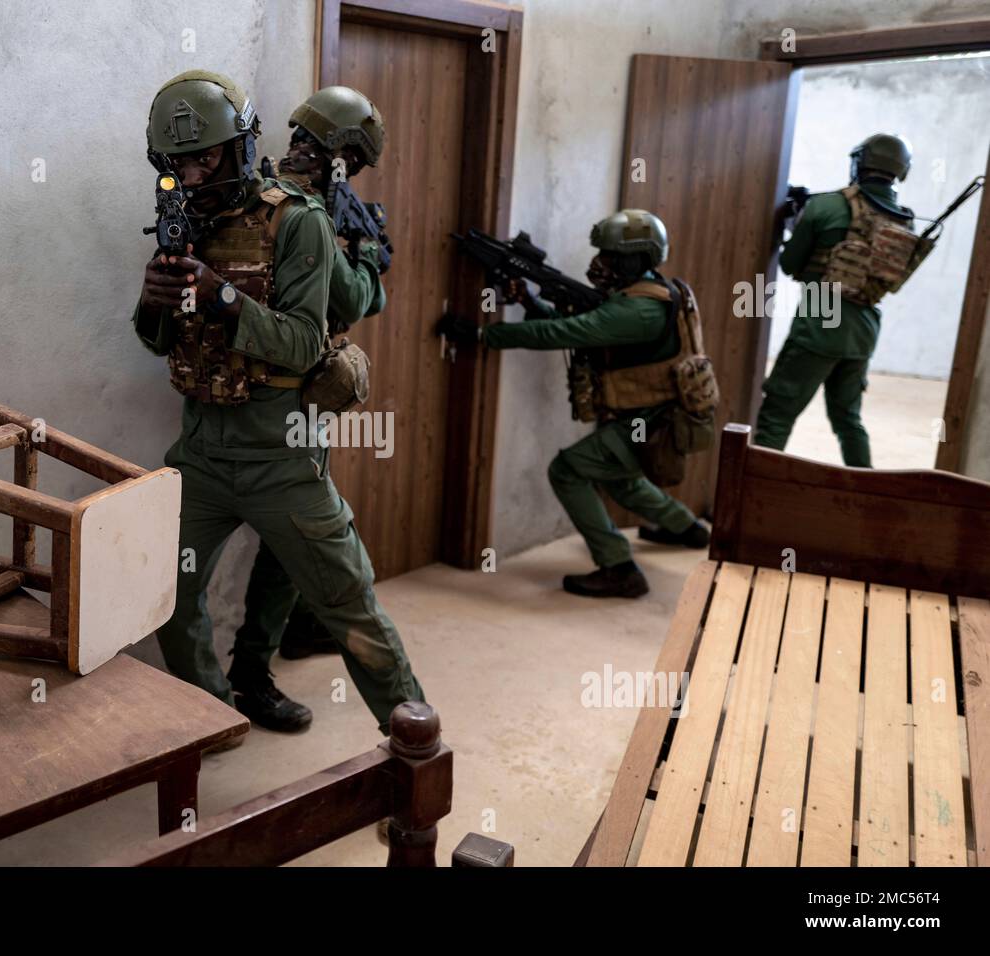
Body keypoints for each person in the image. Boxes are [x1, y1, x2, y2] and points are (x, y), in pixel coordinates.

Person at [132, 70, 424, 738]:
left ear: (236, 148)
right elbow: (159, 342)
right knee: (164, 595)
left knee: (350, 607)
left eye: (206, 155)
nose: (194, 171)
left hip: (281, 456)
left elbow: (300, 341)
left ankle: (417, 755)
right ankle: (216, 720)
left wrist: (222, 297)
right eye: (179, 161)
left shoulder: (300, 220)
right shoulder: (185, 220)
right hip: (201, 454)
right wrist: (153, 304)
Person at [440, 210, 713, 598]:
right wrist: (532, 302)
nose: (599, 263)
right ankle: (686, 528)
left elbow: (564, 331)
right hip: (649, 418)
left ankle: (619, 568)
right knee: (621, 479)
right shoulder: (646, 292)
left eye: (612, 256)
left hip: (653, 425)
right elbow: (580, 330)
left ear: (637, 259)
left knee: (568, 470)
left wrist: (483, 335)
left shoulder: (638, 310)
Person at [229, 86, 390, 711]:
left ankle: (292, 632)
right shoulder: (303, 211)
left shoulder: (263, 190)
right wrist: (370, 261)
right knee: (297, 536)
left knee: (294, 536)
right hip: (280, 404)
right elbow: (352, 302)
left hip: (252, 392)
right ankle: (249, 672)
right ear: (343, 152)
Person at [754, 133, 917, 467]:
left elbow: (790, 266)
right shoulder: (904, 220)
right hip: (863, 333)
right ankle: (866, 498)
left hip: (818, 325)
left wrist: (796, 225)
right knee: (848, 420)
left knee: (777, 416)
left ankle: (752, 500)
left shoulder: (826, 205)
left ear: (859, 163)